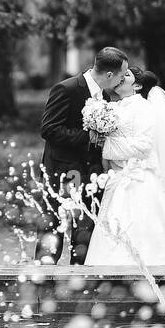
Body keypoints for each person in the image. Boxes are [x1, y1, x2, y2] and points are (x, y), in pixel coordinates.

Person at [84, 66, 165, 267]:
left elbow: (143, 146)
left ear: (138, 85)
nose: (120, 78)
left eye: (126, 75)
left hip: (139, 180)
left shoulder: (144, 109)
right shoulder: (114, 107)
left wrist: (106, 147)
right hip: (118, 178)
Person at [34, 46, 128, 264]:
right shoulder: (66, 89)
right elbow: (49, 129)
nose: (122, 80)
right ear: (109, 75)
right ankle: (43, 278)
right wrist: (88, 136)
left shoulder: (105, 95)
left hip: (90, 173)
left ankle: (78, 278)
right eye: (122, 75)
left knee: (84, 231)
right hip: (63, 171)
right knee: (53, 226)